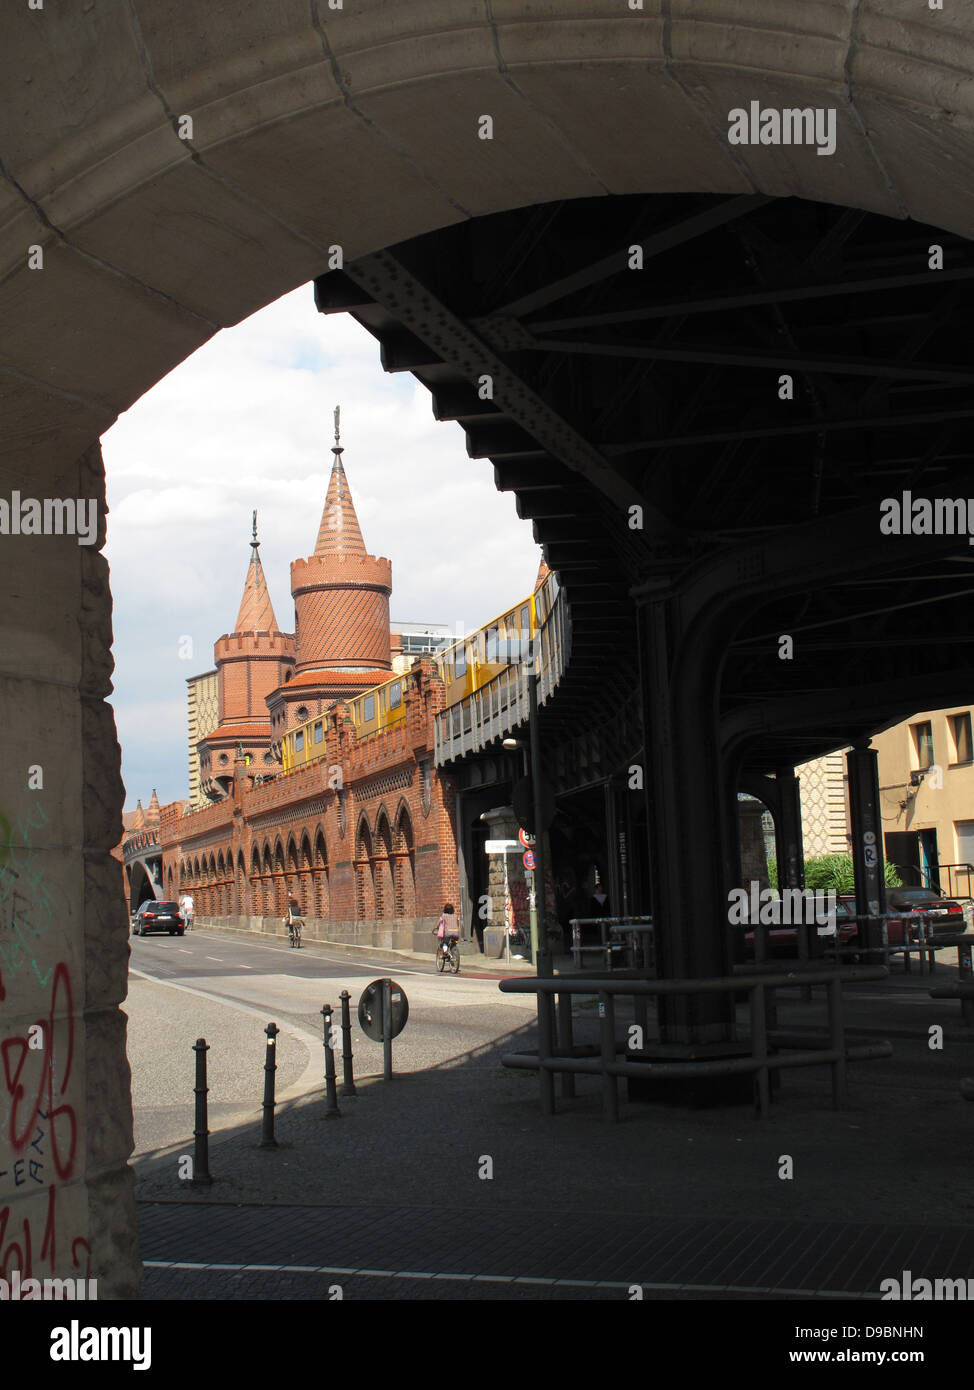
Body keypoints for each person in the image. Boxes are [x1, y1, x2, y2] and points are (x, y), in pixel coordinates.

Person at [433, 902, 459, 970]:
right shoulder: (455, 915)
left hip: (448, 933)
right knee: (453, 944)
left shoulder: (444, 915)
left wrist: (437, 927)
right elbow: (457, 923)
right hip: (456, 933)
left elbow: (439, 922)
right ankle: (454, 955)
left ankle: (445, 952)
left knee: (445, 942)